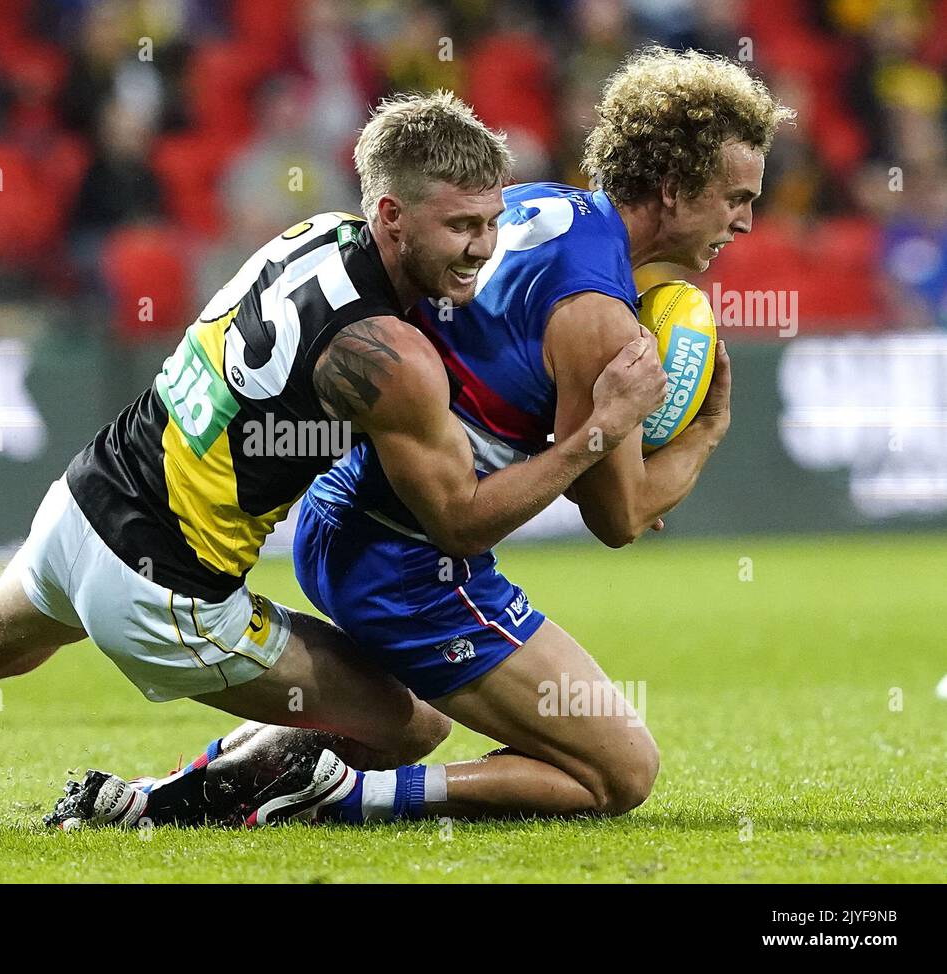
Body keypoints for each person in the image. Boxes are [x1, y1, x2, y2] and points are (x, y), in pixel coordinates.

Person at [0, 91, 665, 839]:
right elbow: (459, 519)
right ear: (393, 216)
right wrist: (593, 432)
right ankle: (173, 803)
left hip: (91, 496)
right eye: (461, 227)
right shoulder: (390, 357)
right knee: (406, 724)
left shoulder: (307, 237)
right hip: (168, 593)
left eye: (491, 223)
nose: (482, 250)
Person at [57, 46, 792, 829]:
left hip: (344, 512)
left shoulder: (529, 207)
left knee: (401, 721)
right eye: (736, 198)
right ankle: (344, 797)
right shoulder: (599, 318)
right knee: (620, 771)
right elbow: (620, 517)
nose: (744, 221)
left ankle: (156, 801)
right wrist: (705, 431)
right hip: (414, 563)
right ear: (674, 189)